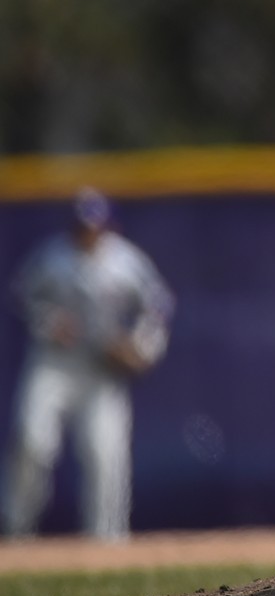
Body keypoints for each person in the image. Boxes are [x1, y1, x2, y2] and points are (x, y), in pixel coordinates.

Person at [3, 187, 174, 541]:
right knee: (32, 440)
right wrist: (51, 323)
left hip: (101, 372)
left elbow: (158, 306)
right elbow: (22, 296)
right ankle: (15, 530)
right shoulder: (53, 257)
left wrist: (141, 346)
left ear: (108, 226)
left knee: (104, 453)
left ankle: (106, 541)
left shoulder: (125, 261)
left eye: (95, 225)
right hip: (55, 365)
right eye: (82, 226)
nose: (88, 233)